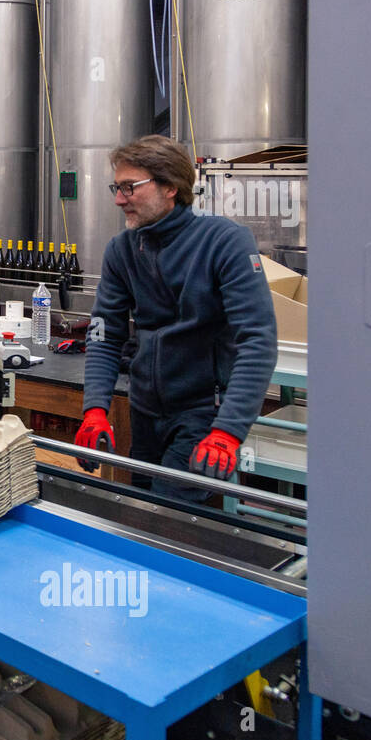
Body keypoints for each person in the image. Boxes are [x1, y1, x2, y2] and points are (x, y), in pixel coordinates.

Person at [73, 135, 277, 503]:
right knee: (140, 507)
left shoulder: (225, 242)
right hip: (145, 411)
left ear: (170, 187)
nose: (119, 199)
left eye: (129, 187)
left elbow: (258, 342)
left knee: (165, 522)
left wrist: (228, 431)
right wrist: (95, 409)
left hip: (203, 416)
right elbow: (104, 335)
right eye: (116, 188)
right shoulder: (122, 250)